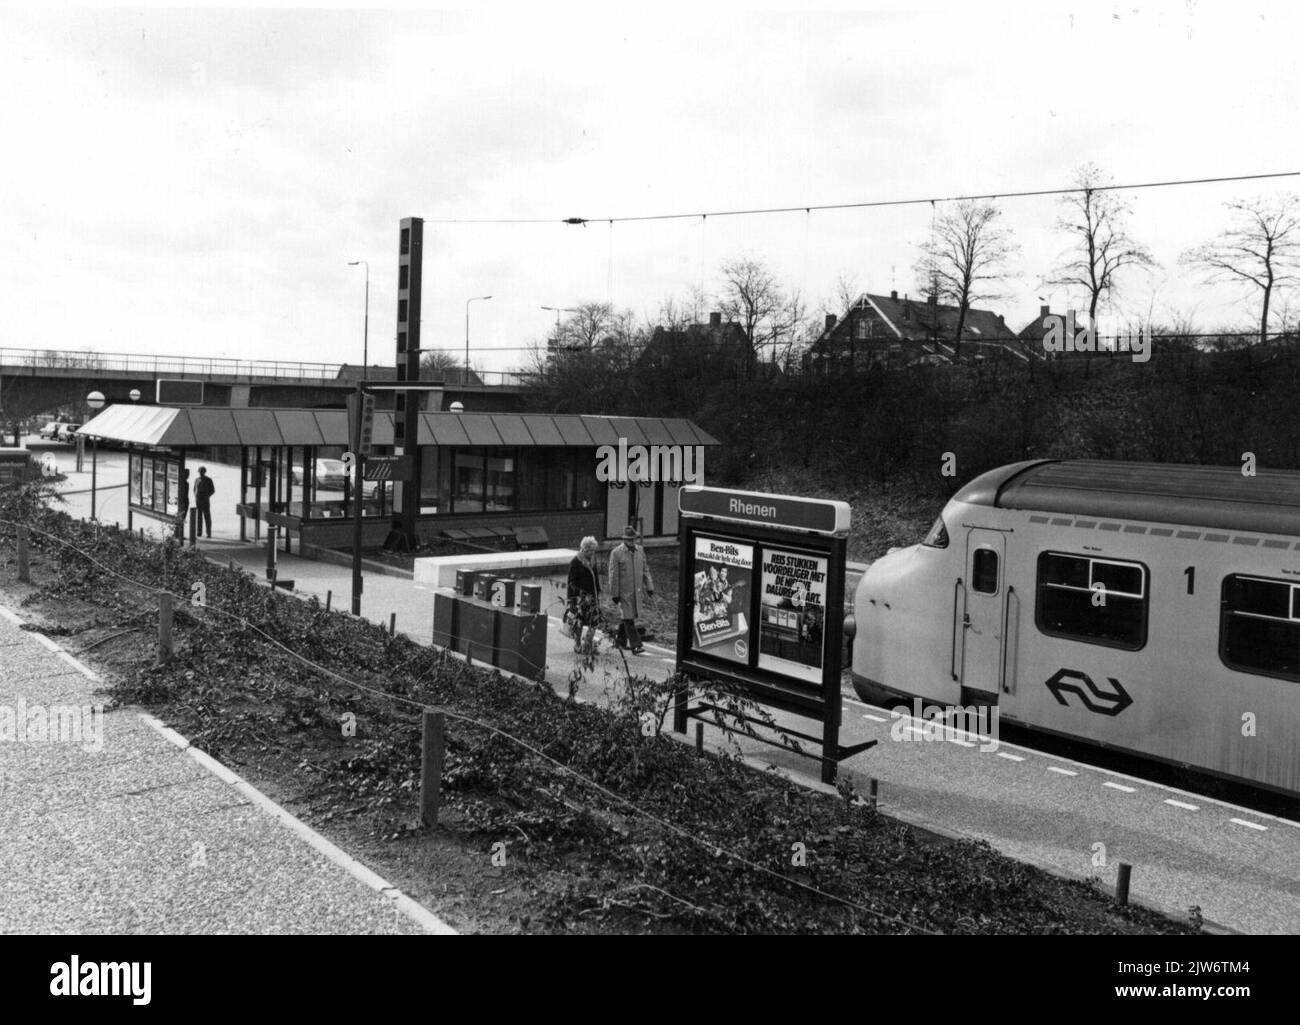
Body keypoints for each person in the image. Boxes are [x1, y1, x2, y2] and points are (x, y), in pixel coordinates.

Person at [608, 525, 654, 653]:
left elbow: (645, 570)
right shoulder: (616, 553)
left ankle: (620, 641)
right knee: (628, 619)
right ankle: (636, 645)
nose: (631, 542)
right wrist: (614, 593)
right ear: (624, 540)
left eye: (633, 539)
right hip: (624, 593)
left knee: (628, 617)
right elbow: (613, 575)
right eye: (628, 540)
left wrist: (649, 586)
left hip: (636, 592)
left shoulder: (640, 551)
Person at [565, 536, 602, 654]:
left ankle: (587, 643)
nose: (592, 553)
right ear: (585, 549)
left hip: (592, 597)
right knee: (579, 622)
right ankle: (577, 644)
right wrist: (575, 597)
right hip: (580, 599)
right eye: (591, 550)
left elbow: (595, 577)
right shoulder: (575, 562)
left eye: (593, 550)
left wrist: (598, 591)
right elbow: (571, 583)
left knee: (594, 622)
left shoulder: (592, 560)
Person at [194, 466, 215, 538]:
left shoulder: (209, 480)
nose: (201, 473)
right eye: (200, 472)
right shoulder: (197, 479)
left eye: (202, 472)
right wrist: (196, 496)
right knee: (199, 517)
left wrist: (207, 496)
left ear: (205, 472)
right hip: (198, 500)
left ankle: (208, 532)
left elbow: (212, 490)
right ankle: (199, 532)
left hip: (205, 500)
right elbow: (194, 489)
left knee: (207, 516)